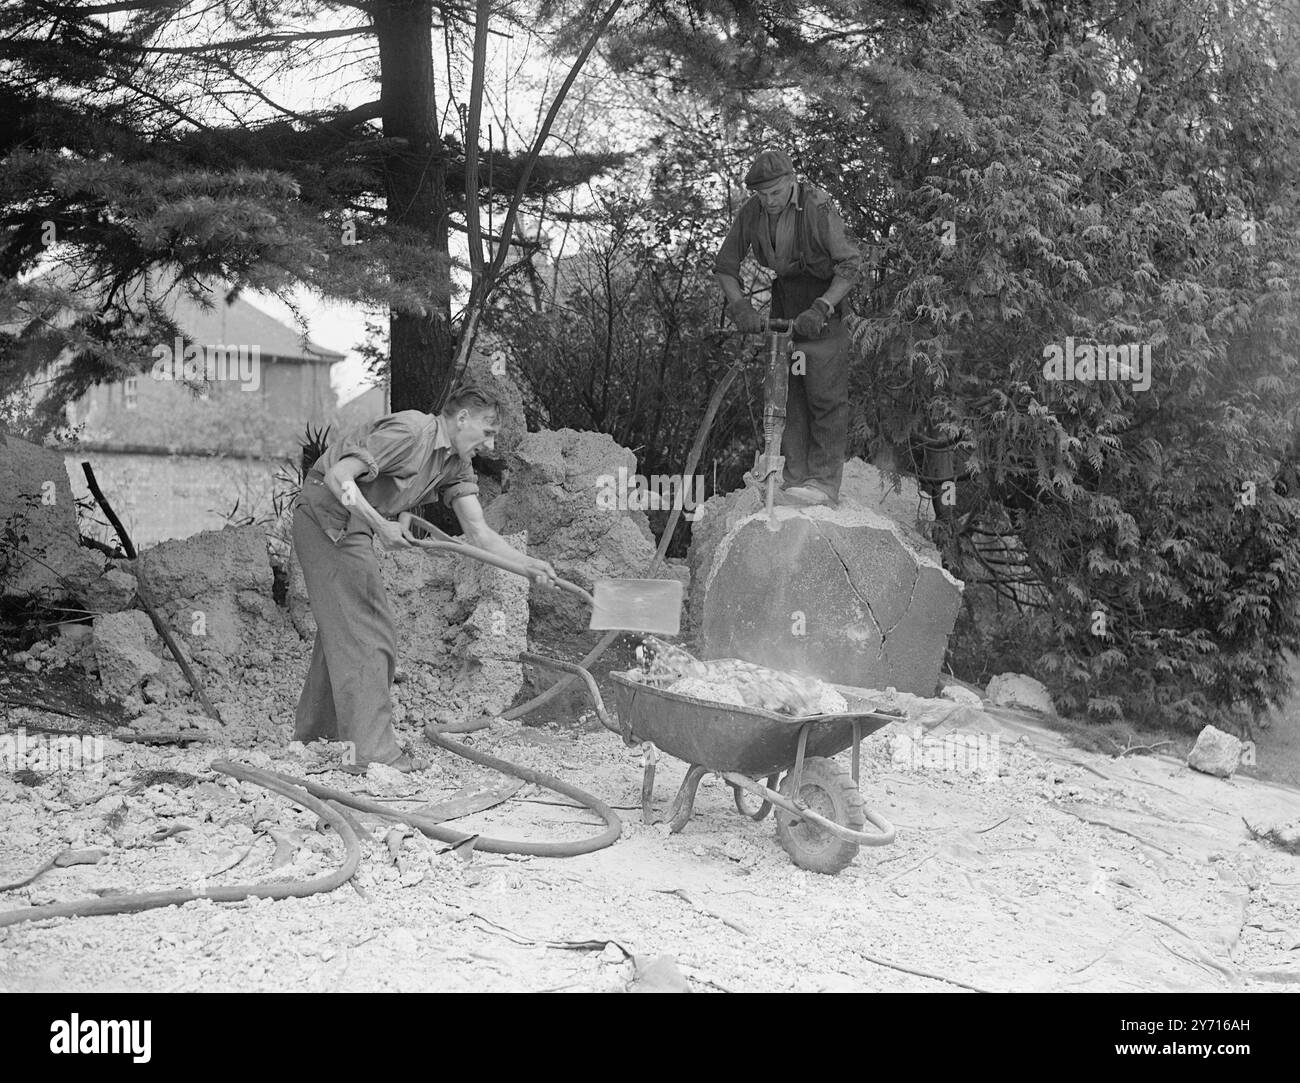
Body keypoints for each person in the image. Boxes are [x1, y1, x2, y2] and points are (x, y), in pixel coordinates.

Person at [291, 385, 557, 771]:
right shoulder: (412, 432)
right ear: (461, 418)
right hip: (326, 518)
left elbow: (480, 532)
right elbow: (338, 477)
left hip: (352, 527)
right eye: (487, 431)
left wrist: (528, 566)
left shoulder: (455, 464)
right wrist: (381, 525)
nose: (491, 443)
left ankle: (317, 735)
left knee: (342, 625)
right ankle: (371, 754)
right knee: (369, 628)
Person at [714, 149, 864, 506]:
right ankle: (794, 479)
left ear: (792, 182)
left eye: (776, 193)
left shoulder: (818, 206)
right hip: (786, 301)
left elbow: (850, 265)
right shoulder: (752, 212)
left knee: (824, 394)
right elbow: (725, 266)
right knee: (789, 389)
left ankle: (824, 483)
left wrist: (823, 307)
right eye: (762, 195)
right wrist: (740, 306)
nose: (769, 201)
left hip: (824, 302)